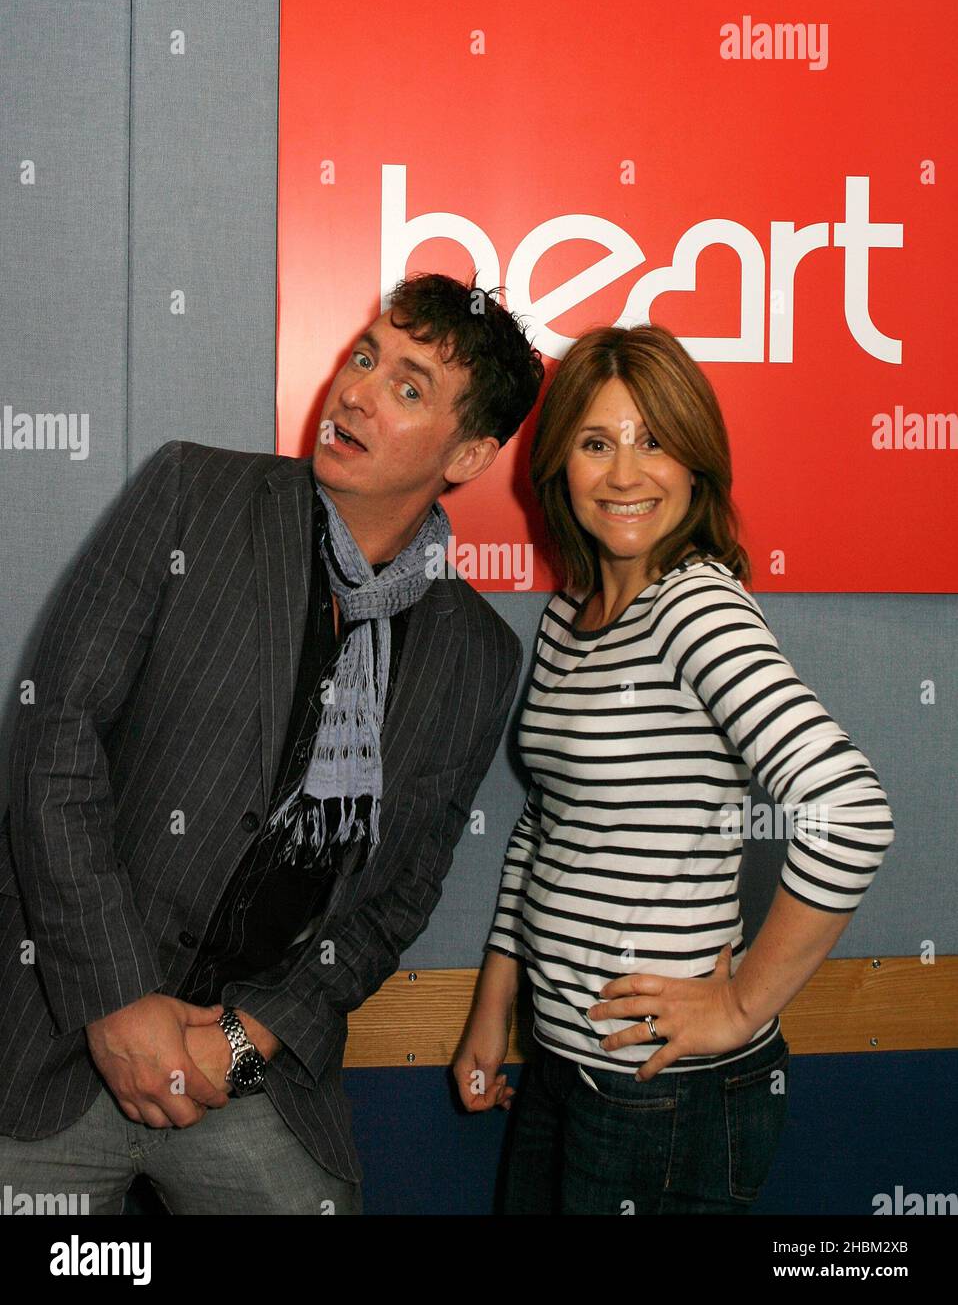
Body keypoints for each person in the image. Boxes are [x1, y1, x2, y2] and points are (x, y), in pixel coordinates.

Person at [0, 271, 544, 1214]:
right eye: (366, 356)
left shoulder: (477, 656)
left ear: (468, 454)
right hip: (60, 1031)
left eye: (409, 387)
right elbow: (55, 738)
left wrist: (246, 1040)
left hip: (243, 1073)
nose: (358, 390)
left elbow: (400, 896)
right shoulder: (191, 496)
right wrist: (119, 1004)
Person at [454, 323, 895, 1214]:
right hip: (562, 1064)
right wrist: (493, 1010)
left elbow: (851, 813)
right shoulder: (568, 613)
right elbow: (548, 821)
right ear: (559, 468)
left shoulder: (694, 607)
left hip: (661, 1092)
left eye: (654, 440)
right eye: (595, 442)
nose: (625, 474)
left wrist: (737, 1005)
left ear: (696, 463)